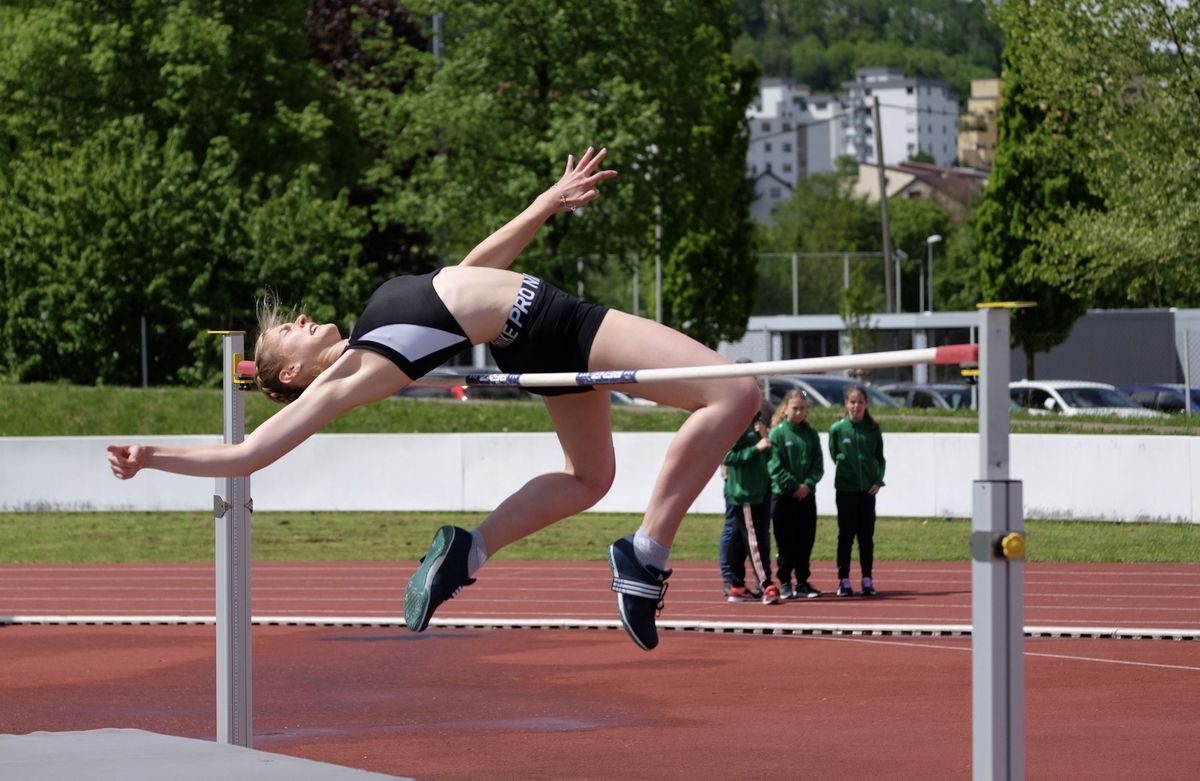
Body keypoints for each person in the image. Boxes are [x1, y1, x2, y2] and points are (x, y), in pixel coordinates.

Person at [106, 146, 762, 651]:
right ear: (296, 377)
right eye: (289, 335)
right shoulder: (349, 375)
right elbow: (249, 452)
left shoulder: (373, 323)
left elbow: (472, 270)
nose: (301, 320)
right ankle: (645, 554)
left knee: (589, 477)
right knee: (736, 393)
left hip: (525, 335)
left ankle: (466, 551)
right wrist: (152, 453)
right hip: (549, 320)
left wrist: (544, 203)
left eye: (294, 318)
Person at [827, 384, 886, 597]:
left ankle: (867, 579)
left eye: (860, 402)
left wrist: (878, 481)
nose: (856, 406)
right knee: (846, 536)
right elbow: (835, 454)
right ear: (846, 404)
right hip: (845, 490)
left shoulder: (872, 429)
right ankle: (844, 580)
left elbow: (880, 458)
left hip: (867, 492)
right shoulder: (837, 429)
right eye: (852, 402)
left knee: (866, 537)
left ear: (866, 404)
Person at [720, 406, 781, 605]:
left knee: (738, 539)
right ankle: (766, 585)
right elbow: (727, 456)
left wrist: (766, 439)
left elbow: (769, 454)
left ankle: (737, 585)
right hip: (746, 492)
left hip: (762, 488)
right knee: (756, 540)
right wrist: (755, 448)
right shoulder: (735, 422)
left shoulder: (759, 421)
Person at [767, 389, 824, 599]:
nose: (799, 412)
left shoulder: (811, 435)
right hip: (783, 496)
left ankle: (802, 582)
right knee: (785, 542)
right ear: (786, 408)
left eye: (802, 409)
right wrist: (793, 486)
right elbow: (774, 465)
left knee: (805, 540)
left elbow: (818, 465)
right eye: (795, 408)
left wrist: (807, 485)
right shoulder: (778, 433)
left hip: (806, 496)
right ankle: (785, 583)